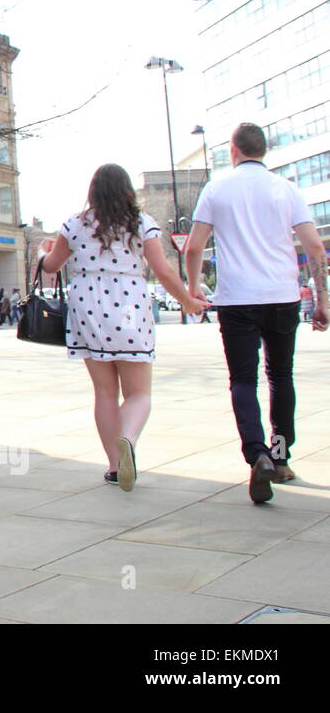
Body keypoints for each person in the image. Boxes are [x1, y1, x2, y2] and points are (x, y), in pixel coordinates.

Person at [184, 123, 328, 504]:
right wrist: (322, 300)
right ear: (263, 150)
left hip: (237, 301)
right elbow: (314, 246)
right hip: (282, 297)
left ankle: (257, 453)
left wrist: (194, 289)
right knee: (281, 376)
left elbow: (194, 246)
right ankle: (280, 458)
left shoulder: (216, 189)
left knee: (243, 380)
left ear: (234, 150)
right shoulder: (287, 189)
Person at [42, 164, 201, 492]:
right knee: (139, 393)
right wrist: (187, 300)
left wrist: (43, 254)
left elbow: (52, 266)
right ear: (127, 190)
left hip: (87, 305)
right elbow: (163, 271)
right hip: (128, 304)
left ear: (93, 191)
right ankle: (127, 439)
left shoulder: (74, 224)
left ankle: (115, 467)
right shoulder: (142, 224)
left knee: (103, 392)